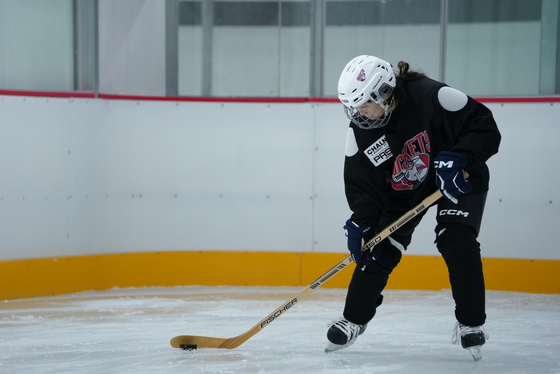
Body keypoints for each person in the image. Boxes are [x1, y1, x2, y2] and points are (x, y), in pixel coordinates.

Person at [325, 55, 501, 360]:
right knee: (376, 249)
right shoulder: (361, 130)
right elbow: (363, 183)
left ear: (384, 92)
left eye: (364, 104)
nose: (359, 113)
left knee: (455, 238)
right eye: (353, 107)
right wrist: (362, 220)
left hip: (458, 175)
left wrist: (460, 157)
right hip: (406, 190)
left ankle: (471, 323)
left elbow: (482, 124)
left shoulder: (431, 96)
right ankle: (354, 318)